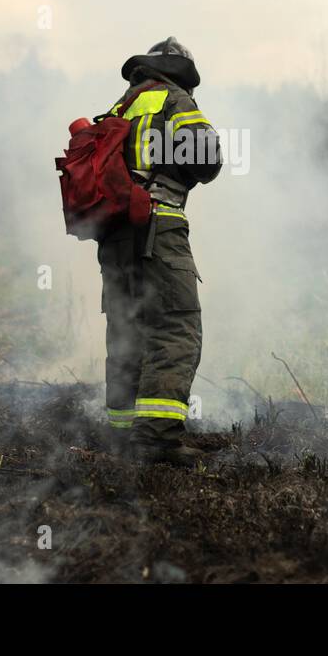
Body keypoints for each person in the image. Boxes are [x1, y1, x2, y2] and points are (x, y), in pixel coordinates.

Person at [97, 38, 222, 465]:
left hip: (114, 237)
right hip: (158, 227)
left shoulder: (122, 104)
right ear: (182, 70)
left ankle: (122, 432)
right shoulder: (174, 98)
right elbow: (207, 159)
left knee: (126, 328)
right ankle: (155, 439)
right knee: (174, 326)